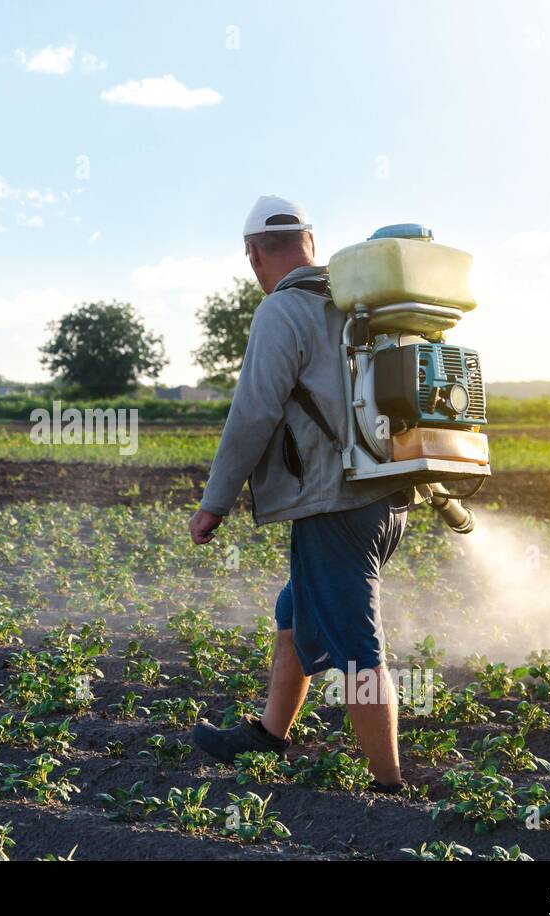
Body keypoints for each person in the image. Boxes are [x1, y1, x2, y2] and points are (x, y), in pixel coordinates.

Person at [188, 195, 416, 792]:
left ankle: (389, 786)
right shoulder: (360, 302)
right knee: (296, 609)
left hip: (334, 505)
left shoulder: (281, 311)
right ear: (311, 243)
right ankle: (268, 733)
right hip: (387, 497)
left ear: (253, 252)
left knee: (356, 649)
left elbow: (252, 413)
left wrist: (216, 501)